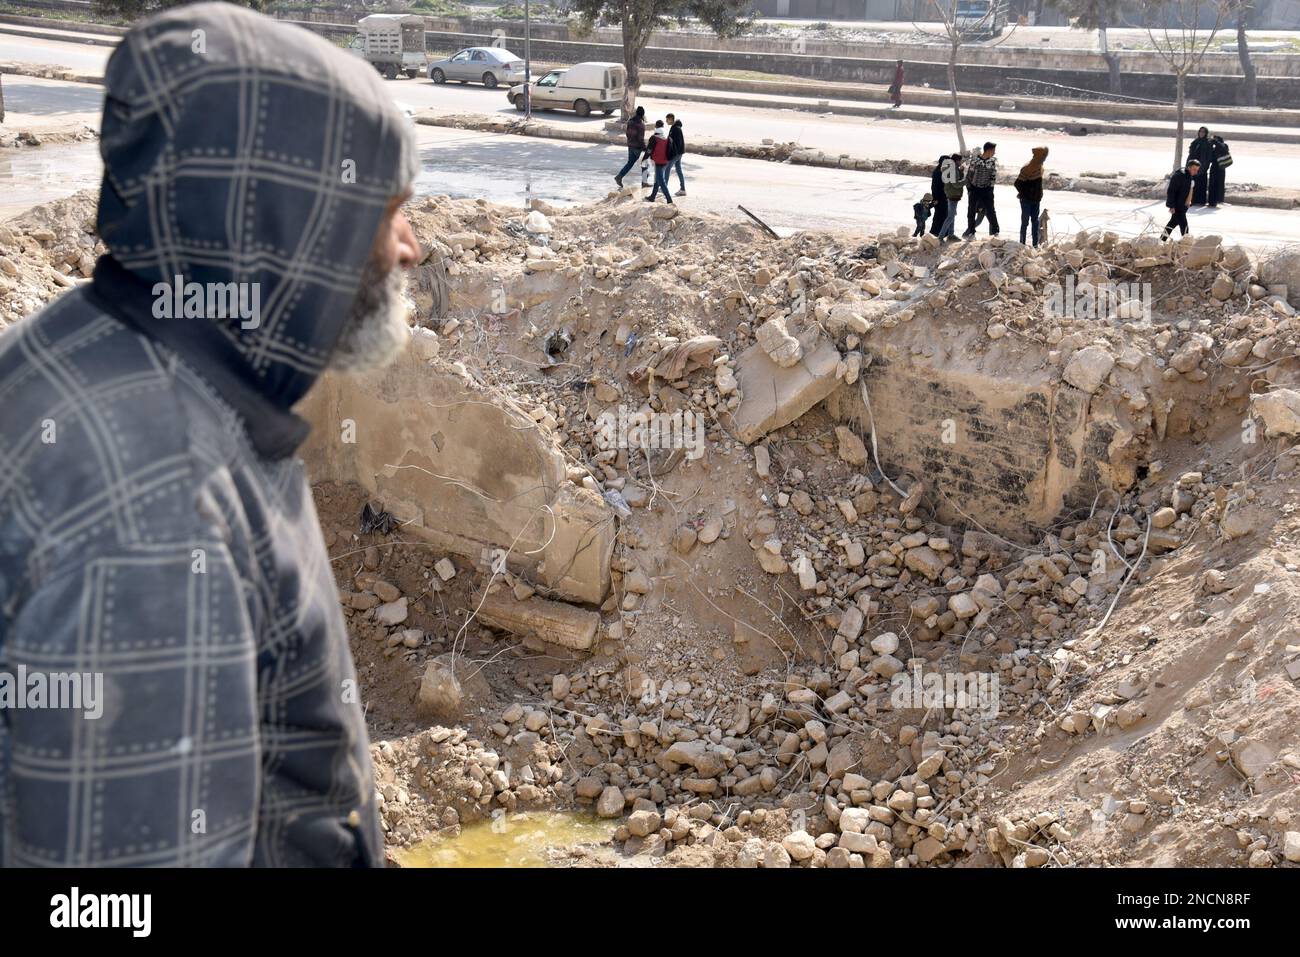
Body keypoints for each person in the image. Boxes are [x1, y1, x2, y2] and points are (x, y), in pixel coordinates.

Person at [0, 2, 420, 867]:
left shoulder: (88, 352)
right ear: (295, 217)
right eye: (387, 211)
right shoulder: (158, 507)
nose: (411, 247)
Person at [1014, 146, 1049, 247]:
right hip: (1026, 200)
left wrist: (1039, 194)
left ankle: (1035, 245)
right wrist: (1026, 193)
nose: (1044, 158)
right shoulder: (1027, 168)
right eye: (1043, 156)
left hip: (1036, 200)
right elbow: (1017, 183)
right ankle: (1022, 243)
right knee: (1025, 222)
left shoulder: (1040, 168)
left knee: (1035, 222)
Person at [963, 141, 999, 239]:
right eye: (993, 150)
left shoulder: (992, 161)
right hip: (974, 189)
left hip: (987, 190)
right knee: (971, 211)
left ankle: (996, 232)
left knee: (991, 211)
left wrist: (990, 189)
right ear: (988, 150)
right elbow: (969, 176)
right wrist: (970, 189)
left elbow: (993, 176)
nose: (994, 153)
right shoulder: (975, 160)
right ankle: (971, 232)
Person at [1162, 159, 1199, 240]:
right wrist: (1171, 206)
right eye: (1194, 169)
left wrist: (1189, 201)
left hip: (1182, 206)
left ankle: (1161, 240)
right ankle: (1186, 244)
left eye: (1197, 170)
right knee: (1184, 227)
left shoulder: (1189, 176)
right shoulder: (1179, 176)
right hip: (1177, 207)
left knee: (1172, 224)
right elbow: (1171, 191)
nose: (1196, 172)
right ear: (1188, 168)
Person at [616, 104, 647, 188]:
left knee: (630, 163)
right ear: (642, 114)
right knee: (645, 163)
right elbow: (640, 139)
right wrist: (645, 148)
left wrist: (630, 142)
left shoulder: (630, 121)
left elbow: (627, 133)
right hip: (637, 147)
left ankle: (619, 176)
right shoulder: (641, 124)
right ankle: (644, 182)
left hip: (630, 146)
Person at [645, 120, 676, 204]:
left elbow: (649, 150)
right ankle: (652, 197)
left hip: (658, 161)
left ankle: (669, 200)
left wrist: (644, 158)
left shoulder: (654, 137)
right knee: (658, 179)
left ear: (656, 127)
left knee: (661, 182)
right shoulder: (667, 137)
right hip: (666, 161)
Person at [938, 153, 965, 242]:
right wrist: (966, 180)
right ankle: (941, 236)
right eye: (960, 161)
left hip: (951, 193)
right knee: (950, 216)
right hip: (953, 194)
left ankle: (951, 234)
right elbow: (956, 184)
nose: (961, 162)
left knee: (952, 215)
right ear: (957, 161)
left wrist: (960, 171)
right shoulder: (953, 169)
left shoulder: (951, 167)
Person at [1187, 127, 1215, 206]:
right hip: (1193, 167)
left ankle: (1201, 201)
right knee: (1193, 184)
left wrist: (1204, 167)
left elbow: (1209, 157)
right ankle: (1193, 200)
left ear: (1206, 133)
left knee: (1201, 184)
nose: (1201, 133)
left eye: (1203, 132)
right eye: (1200, 132)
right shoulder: (1195, 142)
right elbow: (1191, 154)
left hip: (1203, 167)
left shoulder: (1208, 143)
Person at [1207, 133, 1231, 208]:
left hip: (1221, 168)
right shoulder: (1213, 147)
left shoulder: (1223, 146)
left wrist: (1216, 142)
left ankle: (1218, 200)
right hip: (1214, 167)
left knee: (1219, 184)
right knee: (1212, 184)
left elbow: (1223, 148)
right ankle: (1211, 202)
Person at [666, 112, 687, 196]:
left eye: (667, 119)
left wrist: (673, 154)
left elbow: (677, 143)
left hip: (677, 153)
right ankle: (683, 189)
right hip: (679, 153)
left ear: (671, 119)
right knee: (678, 170)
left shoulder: (676, 129)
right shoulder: (674, 127)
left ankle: (664, 187)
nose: (666, 121)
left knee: (667, 168)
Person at [928, 155, 949, 237]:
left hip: (943, 197)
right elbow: (934, 187)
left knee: (943, 214)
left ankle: (942, 232)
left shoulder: (943, 171)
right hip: (939, 197)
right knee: (939, 215)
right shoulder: (938, 172)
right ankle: (935, 232)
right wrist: (935, 198)